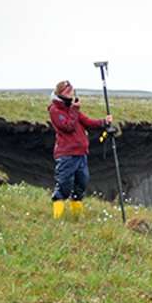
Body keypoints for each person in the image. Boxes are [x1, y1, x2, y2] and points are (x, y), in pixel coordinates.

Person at [48, 80, 112, 220]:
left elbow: (87, 122)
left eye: (72, 91)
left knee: (81, 184)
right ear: (60, 94)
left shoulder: (72, 109)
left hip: (81, 154)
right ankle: (57, 219)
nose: (71, 94)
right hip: (66, 155)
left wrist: (103, 122)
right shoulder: (55, 110)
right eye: (68, 92)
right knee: (64, 186)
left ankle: (76, 217)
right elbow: (68, 126)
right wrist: (74, 109)